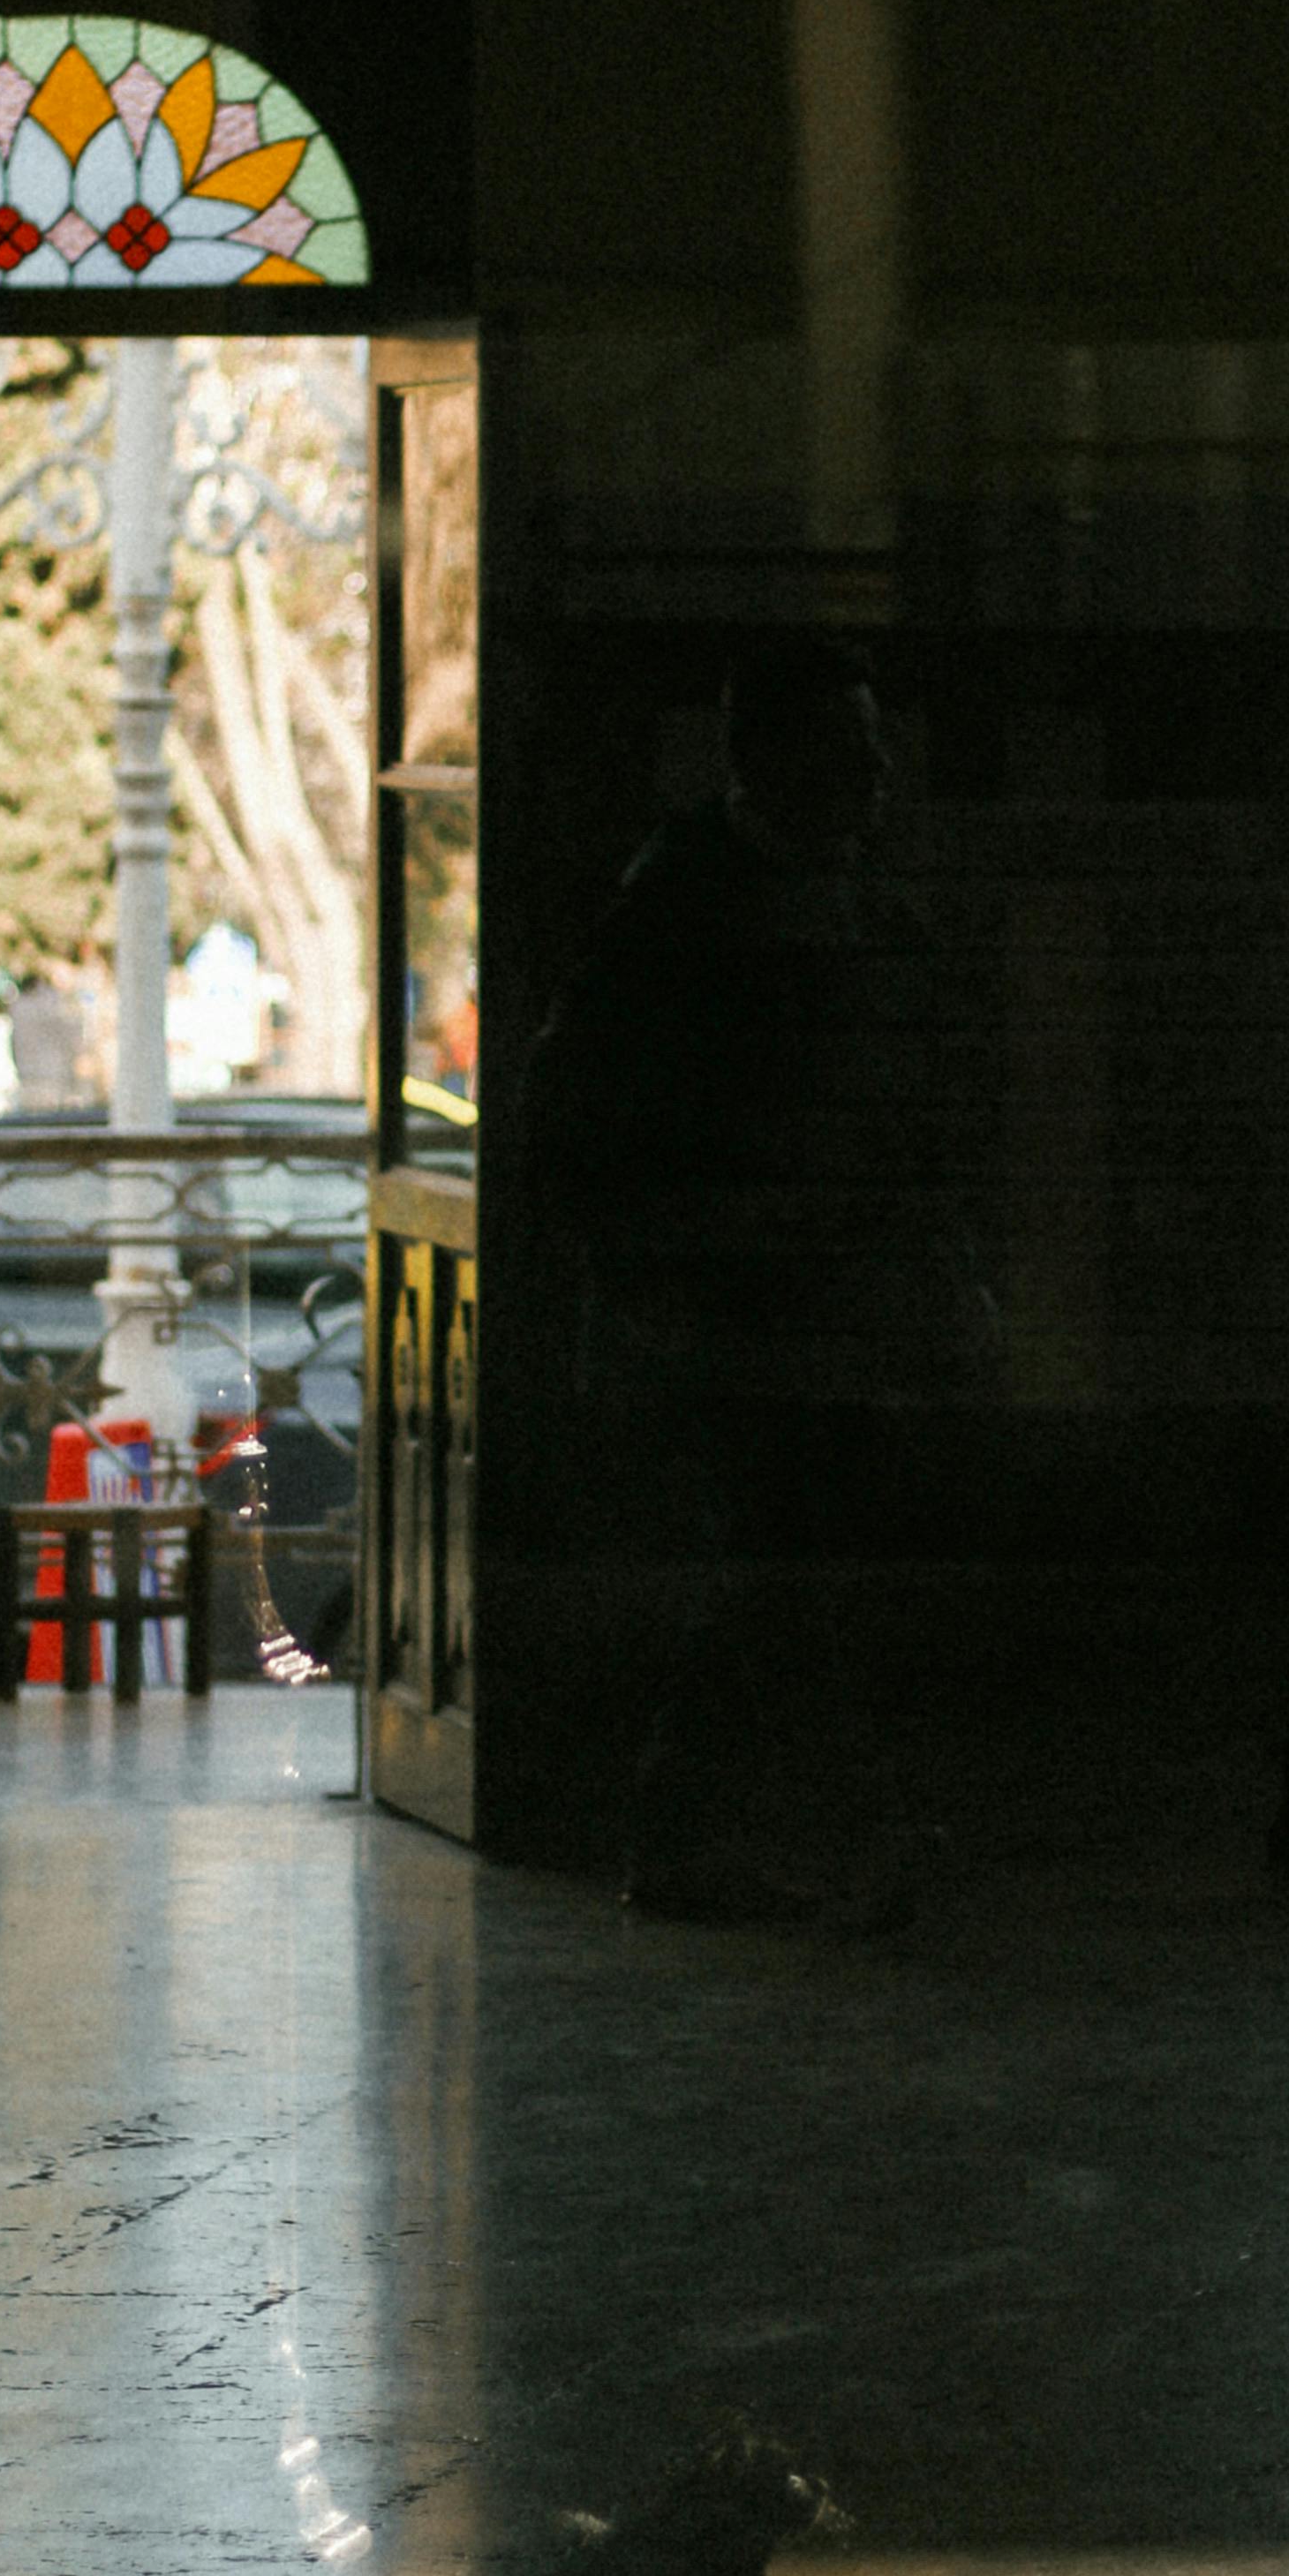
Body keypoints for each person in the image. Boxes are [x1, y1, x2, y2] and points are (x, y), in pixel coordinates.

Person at [525, 636, 985, 1917]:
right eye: (852, 752)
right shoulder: (689, 914)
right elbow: (591, 1112)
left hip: (809, 1308)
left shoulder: (761, 896)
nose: (877, 779)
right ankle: (719, 1831)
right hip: (739, 1316)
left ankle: (732, 1832)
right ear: (773, 761)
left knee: (794, 1572)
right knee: (788, 1569)